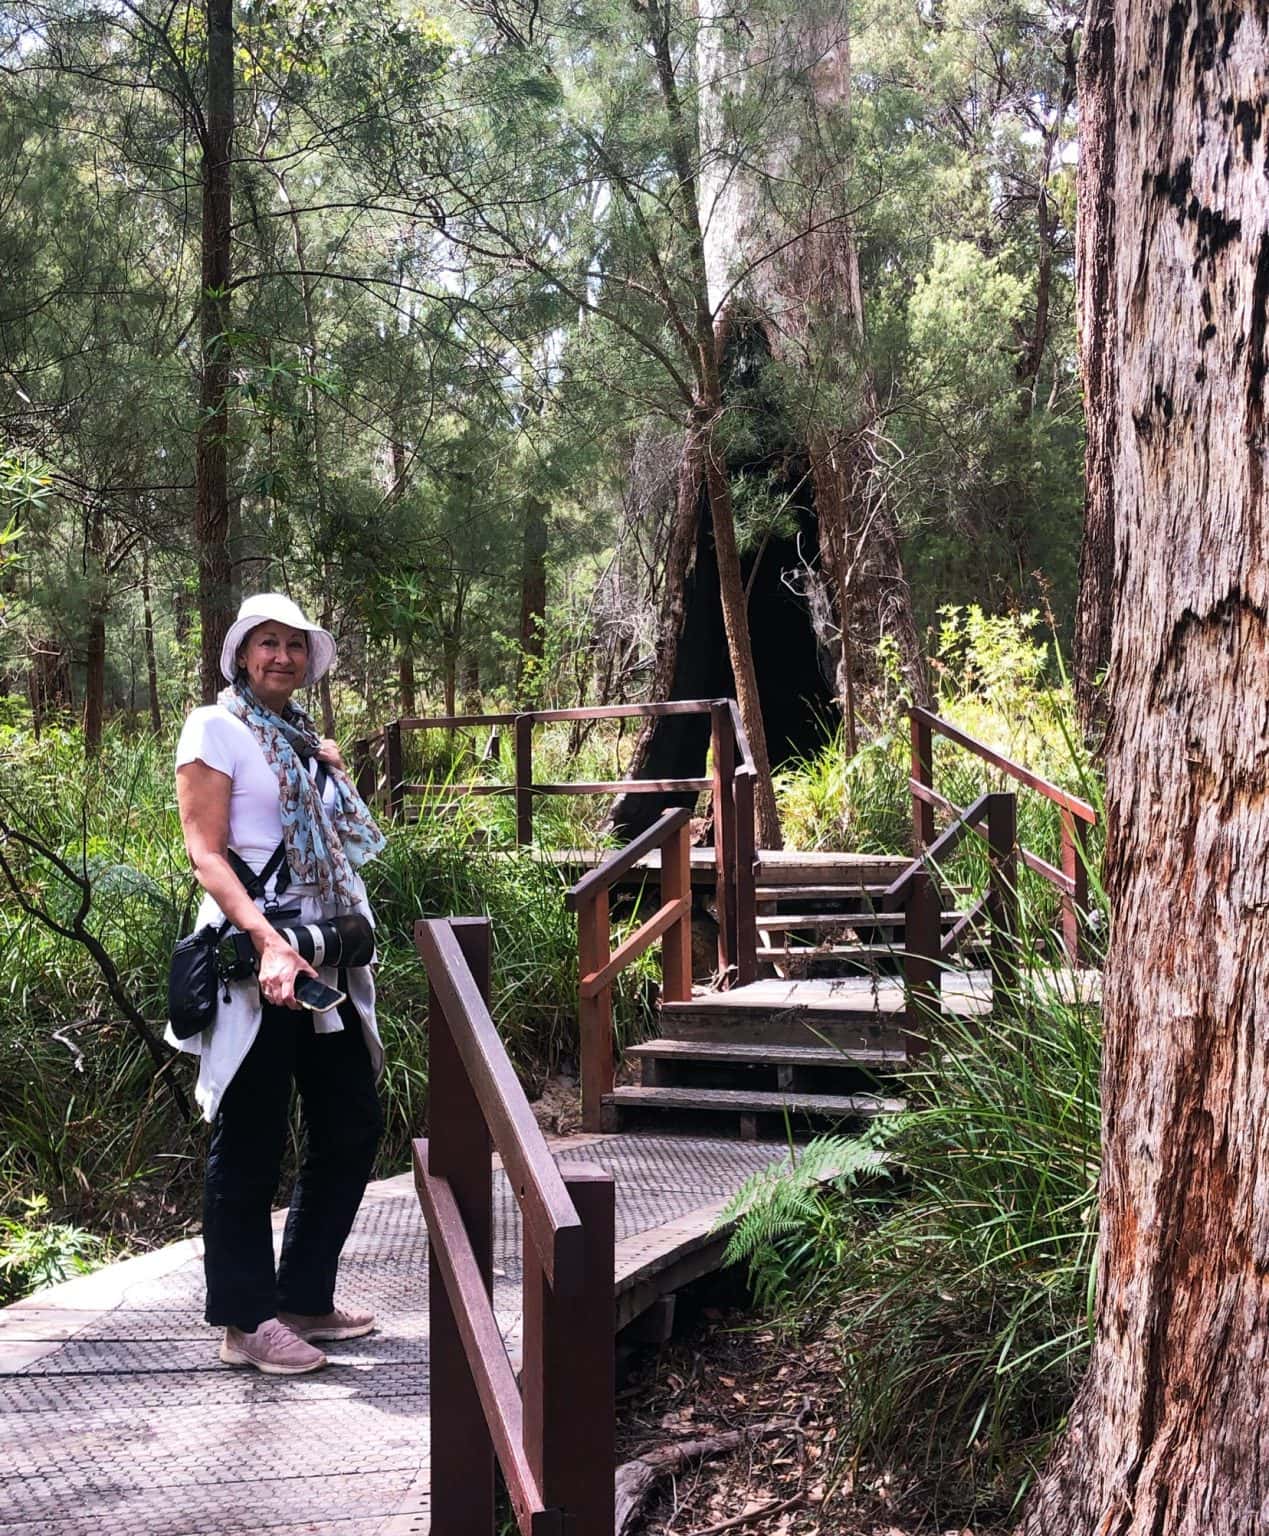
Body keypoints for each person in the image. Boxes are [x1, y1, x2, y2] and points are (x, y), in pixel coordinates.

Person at [167, 592, 387, 1375]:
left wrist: (330, 771)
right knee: (250, 1135)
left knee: (351, 1122)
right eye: (267, 643)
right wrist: (266, 942)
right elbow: (207, 852)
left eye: (295, 645)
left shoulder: (300, 740)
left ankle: (302, 1296)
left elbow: (342, 843)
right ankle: (245, 1319)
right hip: (251, 954)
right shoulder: (214, 729)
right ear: (240, 653)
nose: (282, 657)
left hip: (320, 951)